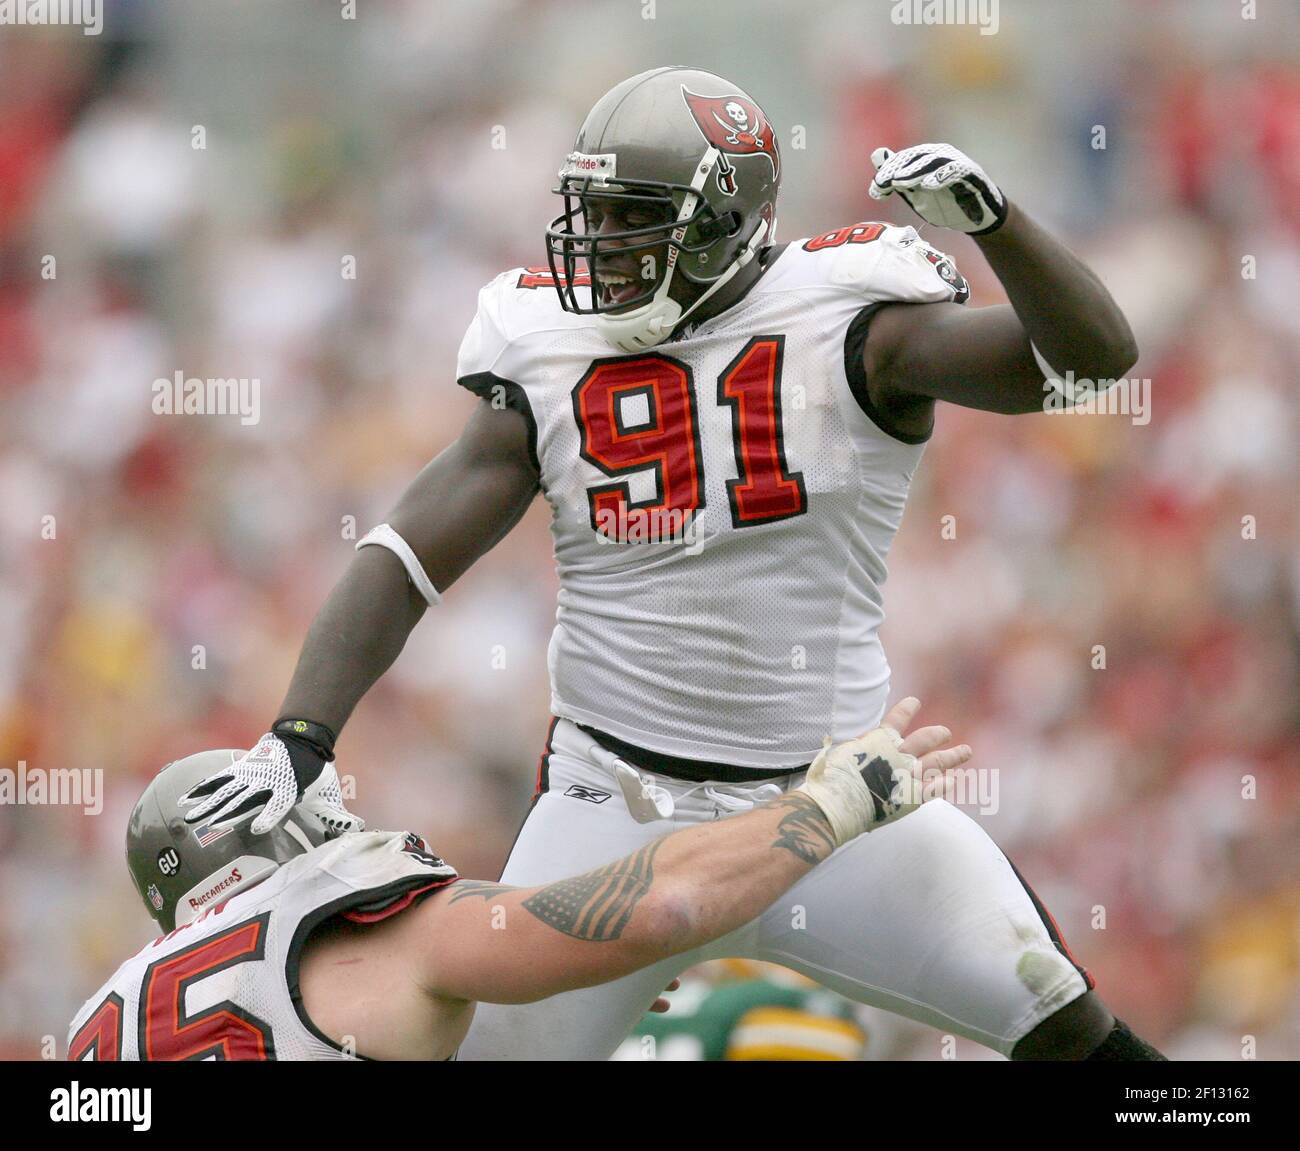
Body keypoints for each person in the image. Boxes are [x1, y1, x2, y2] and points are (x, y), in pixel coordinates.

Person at [180, 66, 1163, 1060]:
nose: (599, 242)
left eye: (631, 214)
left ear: (728, 220)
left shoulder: (847, 321)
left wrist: (997, 223)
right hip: (614, 809)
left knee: (1068, 1028)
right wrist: (303, 730)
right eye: (589, 210)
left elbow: (1088, 361)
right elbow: (404, 554)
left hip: (840, 801)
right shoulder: (546, 348)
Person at [68, 701, 965, 1060]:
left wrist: (568, 990)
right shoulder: (342, 917)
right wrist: (826, 807)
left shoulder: (96, 1023)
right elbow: (664, 903)